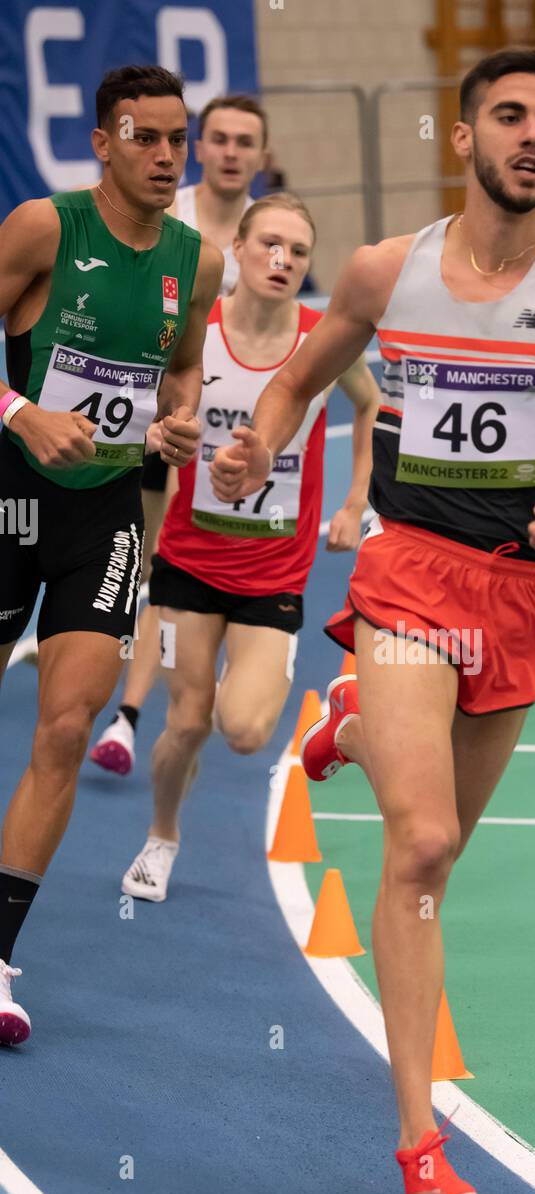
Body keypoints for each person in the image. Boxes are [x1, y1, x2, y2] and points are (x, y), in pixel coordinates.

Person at [210, 46, 535, 1194]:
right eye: (509, 117)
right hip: (410, 573)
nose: (531, 136)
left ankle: (351, 723)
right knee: (418, 847)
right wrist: (258, 446)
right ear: (463, 138)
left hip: (526, 599)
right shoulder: (388, 273)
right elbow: (299, 384)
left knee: (442, 860)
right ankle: (420, 1144)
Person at [0, 64, 223, 1045]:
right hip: (7, 499)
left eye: (180, 138)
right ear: (103, 142)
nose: (167, 155)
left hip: (105, 520)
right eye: (146, 137)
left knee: (63, 727)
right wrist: (22, 412)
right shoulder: (44, 228)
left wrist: (177, 425)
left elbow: (180, 375)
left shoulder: (194, 259)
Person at [118, 193, 377, 901]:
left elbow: (374, 404)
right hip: (187, 568)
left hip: (274, 577)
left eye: (297, 251)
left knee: (242, 729)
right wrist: (168, 437)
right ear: (237, 247)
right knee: (186, 722)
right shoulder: (194, 334)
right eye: (269, 244)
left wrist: (356, 501)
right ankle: (161, 838)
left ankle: (313, 699)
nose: (282, 260)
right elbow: (149, 415)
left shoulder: (323, 340)